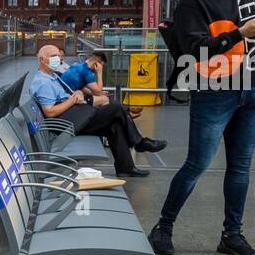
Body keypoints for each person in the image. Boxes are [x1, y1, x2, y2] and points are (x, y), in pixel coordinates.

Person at [147, 0, 255, 255]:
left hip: (250, 89)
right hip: (213, 92)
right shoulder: (194, 1)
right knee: (197, 164)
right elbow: (195, 51)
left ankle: (232, 235)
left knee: (240, 168)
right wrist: (239, 33)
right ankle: (163, 227)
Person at [31, 45, 166, 177]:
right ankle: (139, 142)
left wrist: (77, 93)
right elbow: (50, 112)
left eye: (58, 56)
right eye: (53, 56)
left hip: (75, 115)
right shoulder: (44, 83)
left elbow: (65, 97)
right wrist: (72, 100)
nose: (58, 59)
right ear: (42, 60)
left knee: (114, 125)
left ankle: (126, 167)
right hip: (69, 123)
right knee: (115, 108)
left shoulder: (52, 77)